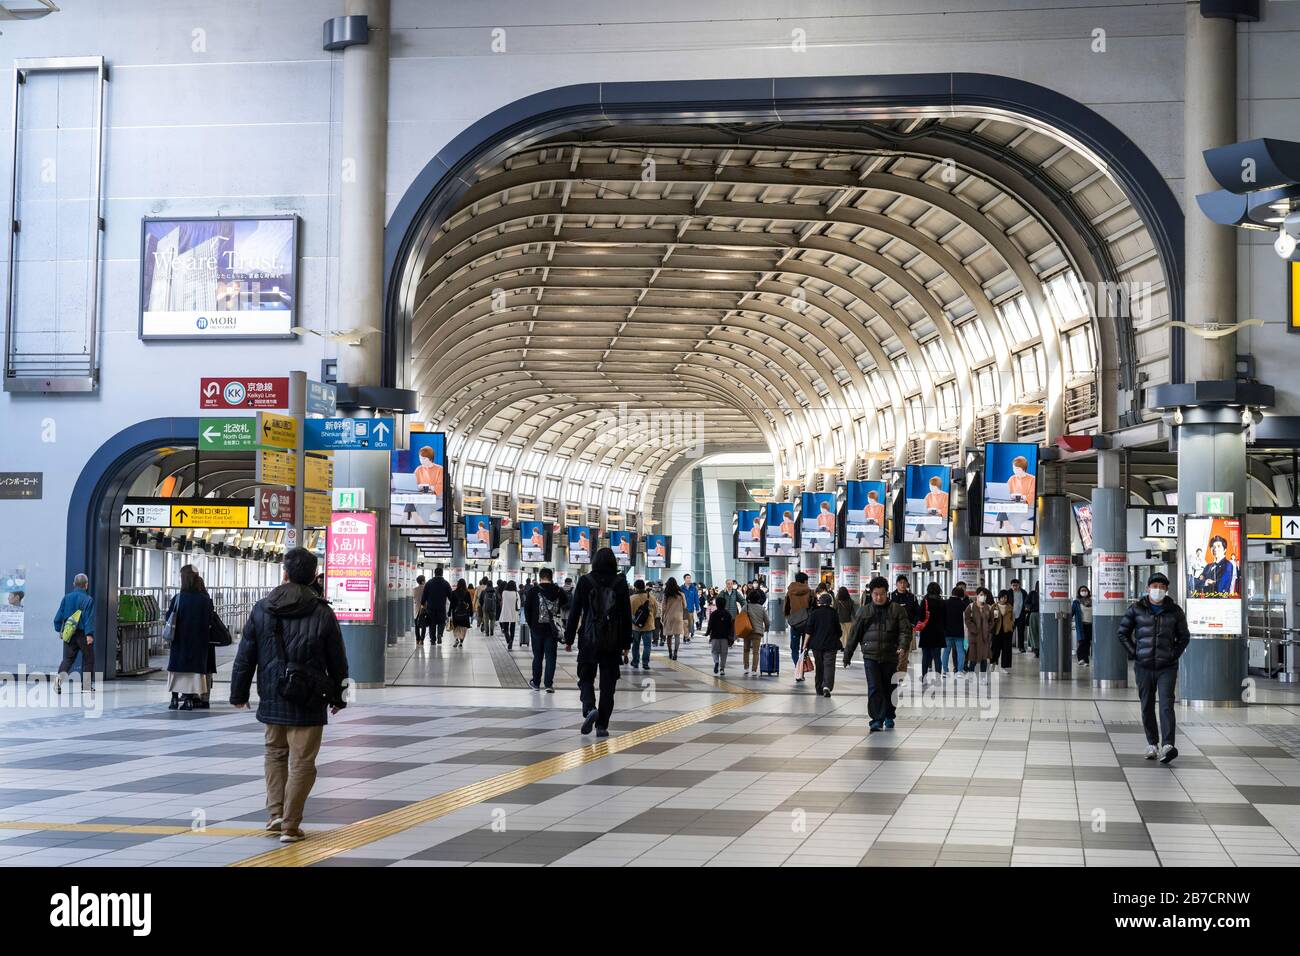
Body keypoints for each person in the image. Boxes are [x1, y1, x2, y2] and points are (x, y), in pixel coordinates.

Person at [230, 546, 349, 843]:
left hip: (272, 694)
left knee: (274, 753)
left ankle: (275, 814)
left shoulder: (262, 608)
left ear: (284, 573)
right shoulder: (322, 611)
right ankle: (290, 825)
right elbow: (337, 658)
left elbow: (245, 655)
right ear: (313, 577)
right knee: (302, 762)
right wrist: (338, 695)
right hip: (308, 699)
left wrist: (238, 692)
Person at [1117, 572, 1190, 764]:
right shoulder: (1137, 609)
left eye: (1162, 586)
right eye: (1155, 586)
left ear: (1166, 590)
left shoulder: (1175, 611)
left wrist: (1173, 655)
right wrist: (1134, 653)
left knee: (1167, 705)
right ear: (1148, 588)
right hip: (1143, 666)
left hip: (1167, 667)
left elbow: (1184, 637)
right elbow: (1122, 633)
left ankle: (1168, 745)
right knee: (1147, 705)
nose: (1158, 589)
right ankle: (1152, 744)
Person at [564, 547, 632, 737]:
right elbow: (627, 616)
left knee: (585, 676)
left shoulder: (585, 581)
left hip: (588, 638)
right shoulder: (620, 583)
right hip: (612, 641)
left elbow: (575, 612)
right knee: (608, 685)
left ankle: (589, 707)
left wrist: (569, 639)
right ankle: (602, 725)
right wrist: (627, 643)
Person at [846, 577, 911, 731]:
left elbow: (905, 631)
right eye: (875, 594)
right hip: (870, 656)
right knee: (874, 687)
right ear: (871, 593)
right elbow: (854, 634)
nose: (878, 597)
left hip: (891, 655)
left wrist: (902, 646)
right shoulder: (865, 611)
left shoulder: (897, 609)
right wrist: (847, 655)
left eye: (881, 594)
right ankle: (876, 719)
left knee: (890, 687)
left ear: (886, 593)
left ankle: (889, 715)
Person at [165, 565, 215, 711]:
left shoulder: (178, 598)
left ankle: (174, 700)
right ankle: (189, 700)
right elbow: (209, 621)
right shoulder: (205, 600)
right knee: (193, 673)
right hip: (198, 642)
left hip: (179, 641)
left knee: (176, 671)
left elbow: (169, 617)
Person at [525, 567, 568, 692]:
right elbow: (566, 603)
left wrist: (531, 624)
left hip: (536, 629)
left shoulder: (533, 591)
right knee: (551, 657)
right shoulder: (558, 591)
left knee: (537, 656)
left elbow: (527, 609)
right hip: (552, 630)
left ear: (540, 577)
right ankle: (548, 684)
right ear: (551, 577)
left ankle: (536, 683)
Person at [53, 572, 95, 694]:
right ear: (86, 585)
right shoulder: (88, 599)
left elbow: (59, 615)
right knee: (88, 658)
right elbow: (88, 618)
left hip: (69, 633)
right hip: (83, 633)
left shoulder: (66, 598)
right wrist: (89, 634)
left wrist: (59, 629)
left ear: (74, 584)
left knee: (67, 659)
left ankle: (58, 681)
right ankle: (86, 687)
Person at [805, 592, 842, 697]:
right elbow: (838, 631)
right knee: (829, 665)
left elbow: (809, 630)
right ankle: (826, 687)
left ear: (820, 602)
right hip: (831, 644)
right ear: (830, 602)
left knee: (819, 666)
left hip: (817, 645)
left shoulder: (814, 613)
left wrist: (805, 644)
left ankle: (818, 688)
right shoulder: (833, 613)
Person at [963, 586, 996, 683]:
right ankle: (970, 675)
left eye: (984, 595)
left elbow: (992, 621)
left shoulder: (988, 608)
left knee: (984, 658)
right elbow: (967, 619)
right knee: (972, 657)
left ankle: (982, 677)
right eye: (981, 595)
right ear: (977, 595)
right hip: (974, 636)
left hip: (985, 637)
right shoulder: (971, 606)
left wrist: (988, 629)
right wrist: (973, 629)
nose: (983, 597)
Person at [783, 571, 814, 672]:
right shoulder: (809, 591)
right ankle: (801, 668)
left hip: (795, 624)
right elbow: (813, 607)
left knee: (794, 649)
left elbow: (786, 608)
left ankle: (798, 669)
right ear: (805, 581)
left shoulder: (790, 591)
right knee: (804, 648)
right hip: (807, 624)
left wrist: (790, 617)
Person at [917, 582, 947, 682]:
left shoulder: (924, 601)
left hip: (926, 632)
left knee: (925, 656)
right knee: (937, 657)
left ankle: (924, 677)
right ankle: (938, 677)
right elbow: (945, 618)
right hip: (938, 632)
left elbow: (921, 616)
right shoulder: (942, 602)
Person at [629, 579, 657, 670]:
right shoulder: (651, 597)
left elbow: (628, 613)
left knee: (636, 645)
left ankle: (635, 662)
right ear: (644, 586)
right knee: (647, 645)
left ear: (635, 587)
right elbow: (656, 611)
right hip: (648, 625)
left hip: (635, 626)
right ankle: (645, 663)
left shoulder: (632, 598)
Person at [740, 586, 768, 676]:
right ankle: (754, 670)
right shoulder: (761, 608)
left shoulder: (745, 607)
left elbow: (740, 618)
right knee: (756, 652)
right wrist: (766, 628)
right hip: (758, 632)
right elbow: (767, 621)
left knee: (746, 650)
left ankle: (746, 668)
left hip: (747, 631)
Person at [421, 565, 452, 645]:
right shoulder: (446, 583)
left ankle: (433, 640)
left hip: (431, 607)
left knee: (432, 623)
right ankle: (440, 634)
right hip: (441, 606)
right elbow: (450, 596)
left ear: (434, 573)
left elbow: (424, 595)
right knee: (442, 622)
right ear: (442, 574)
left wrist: (422, 603)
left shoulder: (429, 583)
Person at [705, 594, 734, 676]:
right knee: (724, 653)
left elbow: (710, 625)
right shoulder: (728, 614)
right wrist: (731, 637)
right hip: (725, 637)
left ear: (717, 604)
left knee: (714, 652)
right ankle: (722, 669)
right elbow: (731, 627)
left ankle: (716, 662)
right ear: (725, 604)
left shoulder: (713, 614)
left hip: (715, 637)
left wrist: (707, 633)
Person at [661, 577, 688, 661]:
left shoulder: (666, 595)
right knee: (677, 635)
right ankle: (675, 653)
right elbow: (685, 606)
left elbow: (663, 607)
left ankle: (670, 652)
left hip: (669, 616)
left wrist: (662, 616)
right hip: (678, 617)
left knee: (669, 635)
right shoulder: (681, 594)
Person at [992, 589, 1015, 671]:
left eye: (1006, 598)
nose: (1005, 599)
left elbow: (1012, 618)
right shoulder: (994, 606)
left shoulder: (1009, 607)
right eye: (1003, 597)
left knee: (1006, 649)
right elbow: (991, 619)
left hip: (1007, 631)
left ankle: (1004, 667)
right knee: (995, 649)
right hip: (997, 631)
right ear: (999, 598)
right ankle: (993, 663)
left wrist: (1011, 625)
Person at [1071, 585, 1093, 665]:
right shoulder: (1076, 602)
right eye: (1082, 590)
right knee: (1082, 642)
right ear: (1079, 592)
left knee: (1088, 643)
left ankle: (1086, 660)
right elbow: (1072, 612)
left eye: (1085, 590)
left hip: (1090, 625)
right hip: (1081, 625)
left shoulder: (1092, 601)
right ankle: (1080, 658)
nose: (1084, 592)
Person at [834, 586, 856, 664]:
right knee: (847, 638)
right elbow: (853, 613)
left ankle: (841, 647)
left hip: (839, 622)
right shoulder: (851, 601)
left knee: (841, 636)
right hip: (848, 622)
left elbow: (834, 611)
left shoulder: (837, 601)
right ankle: (846, 650)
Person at [448, 580, 473, 647]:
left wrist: (449, 612)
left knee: (456, 627)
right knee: (463, 627)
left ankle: (456, 639)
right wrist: (471, 613)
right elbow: (470, 604)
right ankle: (461, 640)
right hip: (465, 613)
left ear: (458, 584)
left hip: (455, 613)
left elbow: (451, 604)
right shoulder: (467, 593)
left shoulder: (453, 593)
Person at [498, 580, 519, 649]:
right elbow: (519, 603)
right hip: (513, 613)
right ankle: (511, 642)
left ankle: (508, 639)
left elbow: (503, 601)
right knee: (512, 629)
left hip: (505, 612)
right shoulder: (516, 593)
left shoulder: (504, 593)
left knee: (505, 628)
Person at [1010, 578, 1027, 652]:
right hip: (1011, 615)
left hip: (1021, 615)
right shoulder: (1009, 593)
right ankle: (1008, 646)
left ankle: (1021, 647)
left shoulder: (1023, 592)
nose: (1014, 587)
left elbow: (1026, 602)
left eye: (1016, 585)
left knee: (1021, 632)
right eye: (1013, 585)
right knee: (1010, 632)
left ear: (1019, 585)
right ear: (1011, 586)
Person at [682, 573, 700, 641]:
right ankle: (686, 636)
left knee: (690, 624)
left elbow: (696, 598)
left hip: (691, 609)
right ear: (684, 579)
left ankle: (688, 634)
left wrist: (697, 608)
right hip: (683, 609)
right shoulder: (681, 588)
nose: (689, 579)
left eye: (690, 578)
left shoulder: (693, 588)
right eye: (687, 578)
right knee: (685, 623)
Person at [412, 575, 428, 646]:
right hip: (424, 609)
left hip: (416, 609)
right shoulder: (426, 588)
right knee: (423, 626)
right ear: (423, 581)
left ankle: (417, 640)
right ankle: (422, 640)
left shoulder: (414, 589)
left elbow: (414, 598)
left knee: (416, 626)